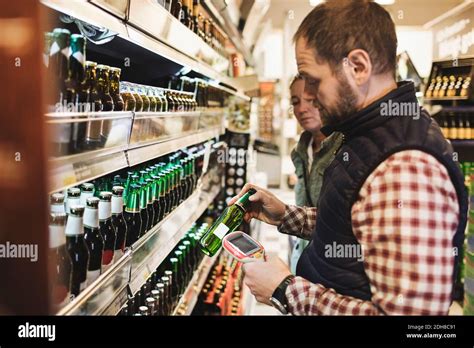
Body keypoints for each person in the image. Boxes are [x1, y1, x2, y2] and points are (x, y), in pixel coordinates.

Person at [230, 0, 467, 315]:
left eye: (312, 79)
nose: (308, 98)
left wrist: (286, 290)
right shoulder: (366, 134)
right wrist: (286, 215)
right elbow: (360, 226)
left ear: (357, 67)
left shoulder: (406, 169)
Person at [288, 76, 342, 274]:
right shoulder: (300, 151)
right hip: (304, 252)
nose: (302, 109)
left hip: (332, 265)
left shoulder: (344, 149)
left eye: (311, 100)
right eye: (295, 102)